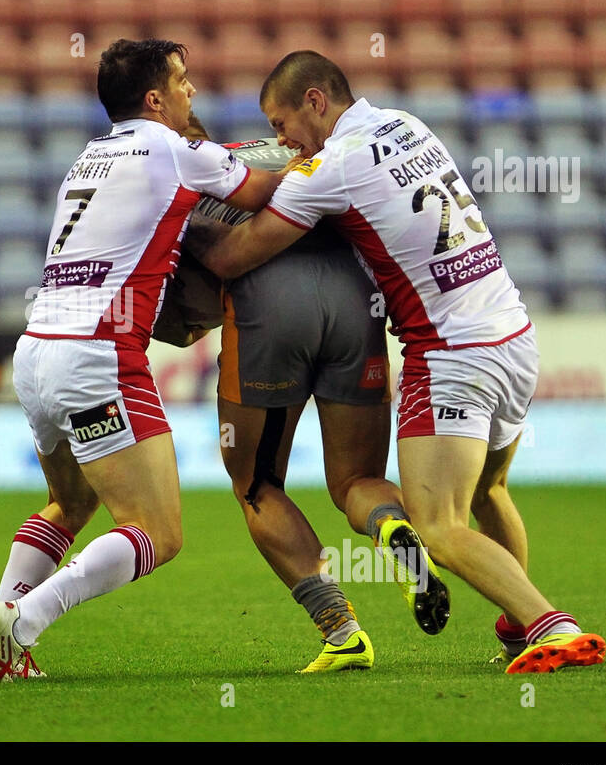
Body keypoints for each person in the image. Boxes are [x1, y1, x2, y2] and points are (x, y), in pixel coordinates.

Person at [195, 51, 604, 674]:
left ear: (315, 101)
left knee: (439, 525)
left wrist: (186, 221)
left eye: (282, 124)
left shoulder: (330, 167)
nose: (281, 141)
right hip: (513, 331)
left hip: (452, 353)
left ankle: (554, 625)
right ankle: (518, 628)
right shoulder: (406, 123)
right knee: (491, 490)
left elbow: (235, 257)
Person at [0, 38, 284, 681]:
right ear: (154, 98)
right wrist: (319, 160)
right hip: (99, 355)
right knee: (157, 533)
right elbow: (259, 193)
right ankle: (21, 622)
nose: (190, 91)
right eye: (182, 80)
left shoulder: (88, 158)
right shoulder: (171, 147)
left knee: (70, 505)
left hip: (35, 353)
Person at [172, 125, 449, 674]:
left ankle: (342, 630)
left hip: (269, 301)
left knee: (256, 482)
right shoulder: (313, 153)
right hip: (357, 298)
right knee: (356, 480)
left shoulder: (189, 165)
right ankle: (392, 526)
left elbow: (180, 278)